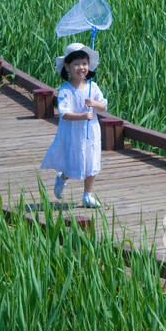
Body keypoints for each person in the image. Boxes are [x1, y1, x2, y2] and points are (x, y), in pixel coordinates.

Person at [39, 43, 106, 208]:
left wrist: (95, 104)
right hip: (73, 133)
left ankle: (87, 194)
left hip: (91, 131)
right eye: (76, 64)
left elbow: (103, 106)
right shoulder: (65, 90)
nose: (81, 68)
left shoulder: (93, 87)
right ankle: (63, 178)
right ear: (67, 66)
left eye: (84, 63)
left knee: (91, 162)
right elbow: (65, 113)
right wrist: (83, 115)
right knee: (73, 163)